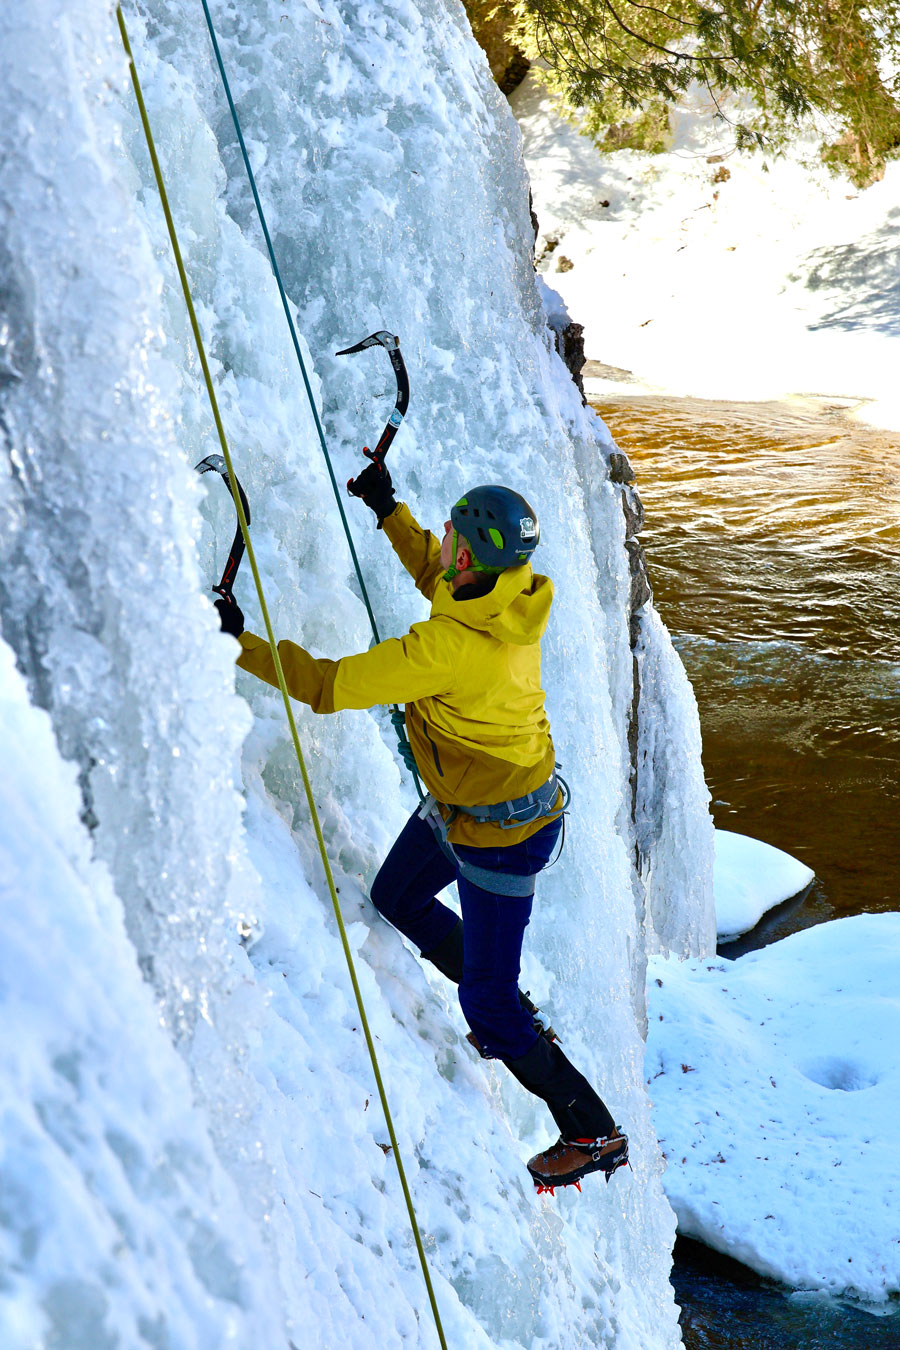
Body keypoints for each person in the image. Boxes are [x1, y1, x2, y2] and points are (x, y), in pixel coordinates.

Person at [216, 464, 628, 1193]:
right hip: (467, 802)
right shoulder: (505, 596)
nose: (442, 546)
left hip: (502, 832)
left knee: (488, 1004)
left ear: (469, 554)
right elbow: (434, 576)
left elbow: (326, 687)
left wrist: (238, 640)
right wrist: (387, 510)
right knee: (398, 894)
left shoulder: (447, 650)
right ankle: (501, 1002)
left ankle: (590, 1130)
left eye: (451, 537)